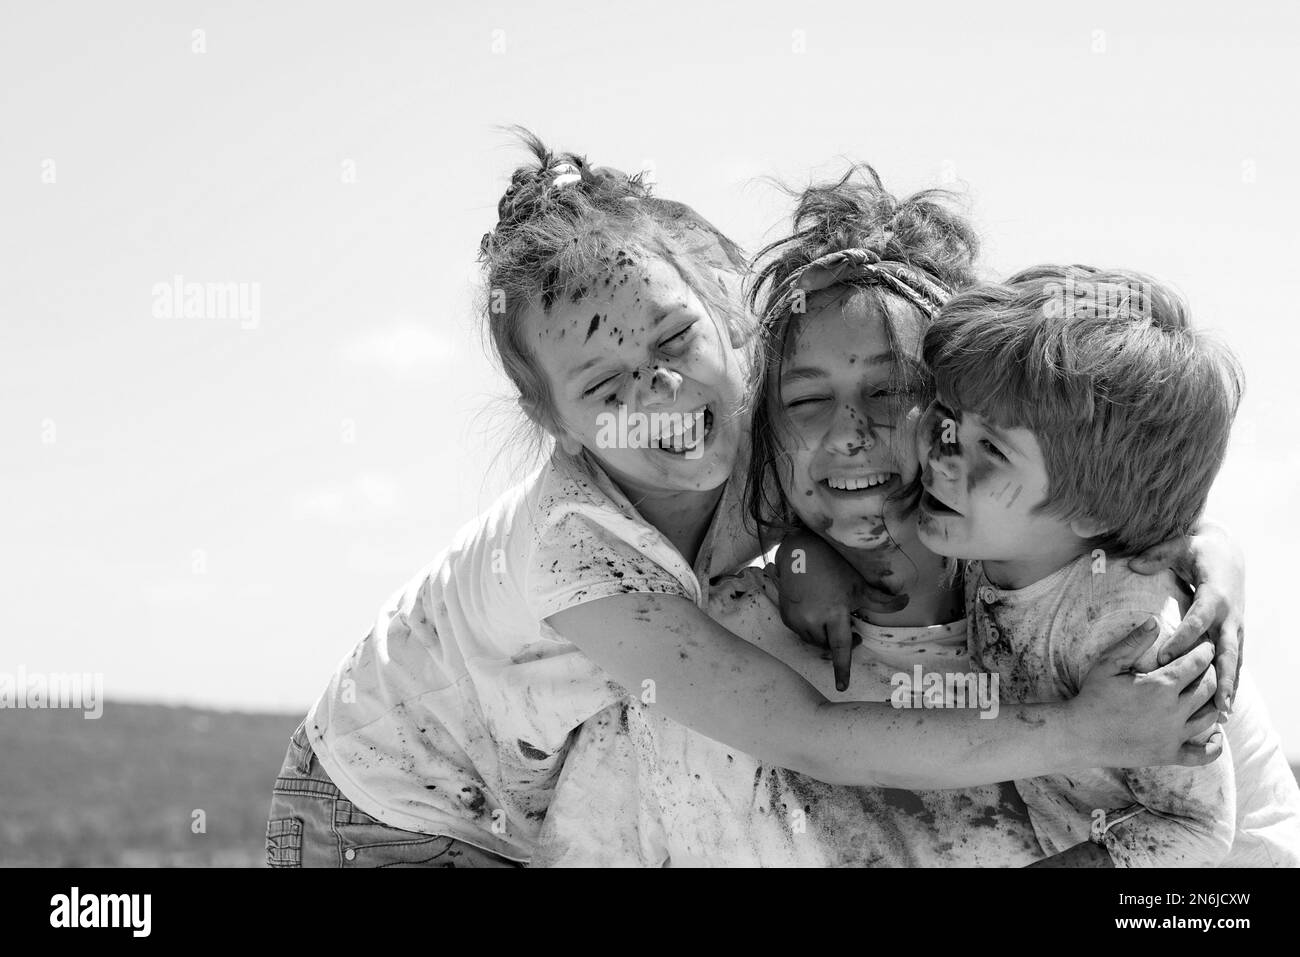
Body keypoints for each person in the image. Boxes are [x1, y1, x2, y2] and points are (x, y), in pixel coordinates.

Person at [267, 145, 1233, 867]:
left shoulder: (748, 446)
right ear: (552, 420)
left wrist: (1207, 556)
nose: (658, 397)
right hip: (375, 803)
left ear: (728, 317)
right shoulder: (590, 558)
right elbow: (804, 732)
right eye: (604, 387)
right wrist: (1082, 732)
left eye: (676, 340)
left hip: (500, 807)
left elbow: (1090, 503)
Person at [915, 265, 1300, 865]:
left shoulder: (1137, 633)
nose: (941, 453)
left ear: (1092, 508)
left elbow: (1194, 833)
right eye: (946, 415)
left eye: (990, 447)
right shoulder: (992, 541)